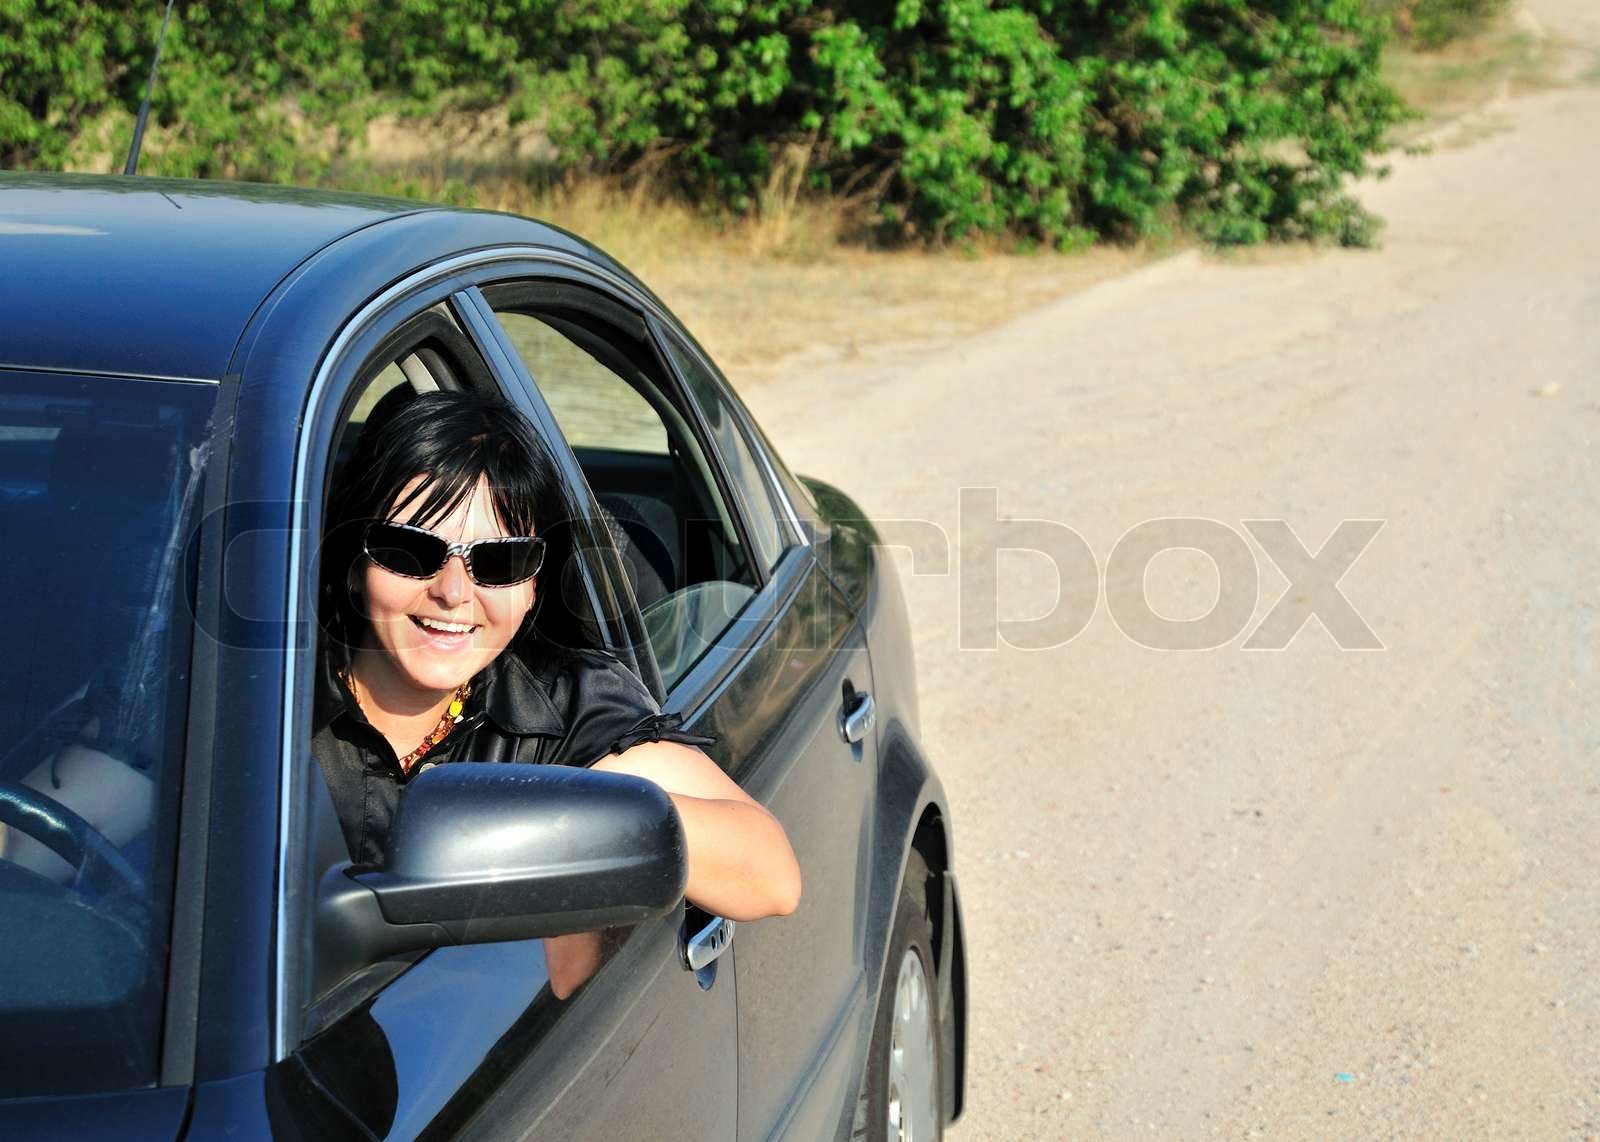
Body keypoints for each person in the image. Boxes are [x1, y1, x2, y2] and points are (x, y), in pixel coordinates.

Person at [314, 388, 800, 993]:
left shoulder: (559, 705)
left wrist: (560, 811)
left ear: (534, 583)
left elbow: (771, 876)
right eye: (410, 550)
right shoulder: (264, 700)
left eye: (498, 561)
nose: (454, 592)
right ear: (356, 555)